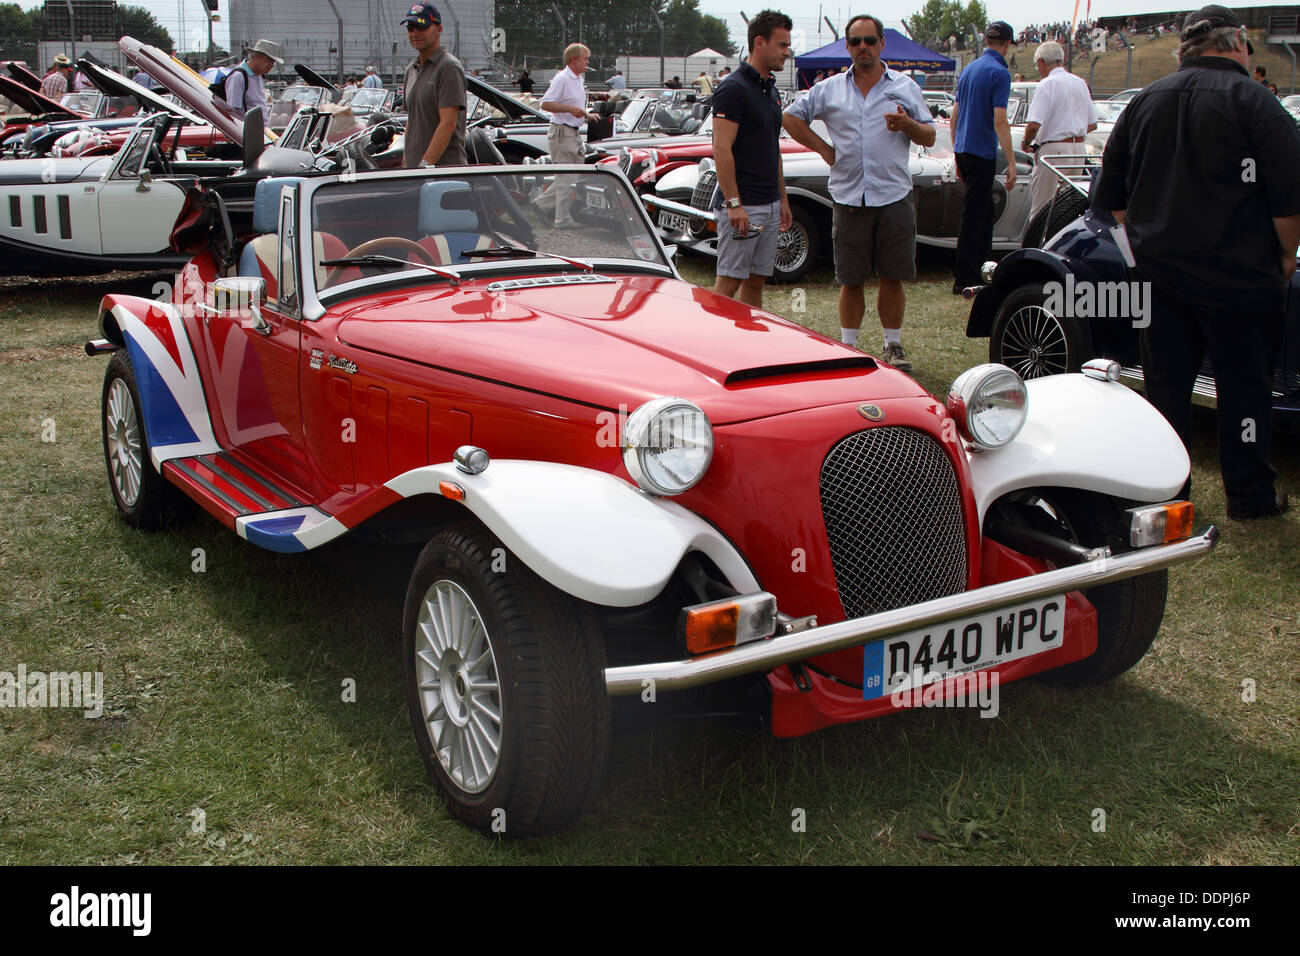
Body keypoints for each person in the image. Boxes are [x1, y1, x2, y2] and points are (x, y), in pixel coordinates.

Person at [1095, 4, 1300, 519]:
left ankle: (1167, 491)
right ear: (1236, 43)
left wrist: (1143, 244)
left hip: (1162, 279)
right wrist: (1286, 258)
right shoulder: (1257, 101)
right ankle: (1250, 495)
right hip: (1240, 279)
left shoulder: (1144, 102)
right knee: (1245, 391)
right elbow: (1288, 201)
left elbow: (1112, 192)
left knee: (1166, 390)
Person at [783, 14, 935, 369]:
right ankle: (848, 348)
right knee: (850, 279)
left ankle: (892, 345)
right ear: (848, 47)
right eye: (855, 42)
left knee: (892, 276)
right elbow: (790, 117)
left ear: (882, 44)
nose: (862, 47)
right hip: (850, 197)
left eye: (869, 40)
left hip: (893, 195)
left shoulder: (904, 87)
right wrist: (823, 149)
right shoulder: (830, 88)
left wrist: (907, 124)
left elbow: (928, 135)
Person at [710, 10, 793, 308]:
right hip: (744, 206)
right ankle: (710, 349)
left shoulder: (770, 89)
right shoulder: (733, 88)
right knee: (729, 281)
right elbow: (721, 149)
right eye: (782, 45)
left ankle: (746, 348)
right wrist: (734, 203)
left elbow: (773, 147)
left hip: (769, 204)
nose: (787, 52)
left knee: (756, 280)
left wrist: (782, 199)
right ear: (760, 43)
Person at [950, 20, 1017, 294]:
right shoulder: (999, 73)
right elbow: (1000, 121)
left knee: (984, 212)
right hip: (981, 152)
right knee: (975, 215)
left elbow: (954, 115)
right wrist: (1012, 161)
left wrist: (956, 152)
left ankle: (982, 267)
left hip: (965, 149)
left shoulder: (970, 69)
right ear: (1007, 44)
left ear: (987, 41)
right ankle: (964, 278)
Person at [1021, 40, 1098, 218]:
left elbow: (1033, 124)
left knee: (1041, 210)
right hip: (1078, 150)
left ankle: (1036, 244)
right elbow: (1092, 123)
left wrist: (1027, 142)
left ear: (1041, 62)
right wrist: (1072, 129)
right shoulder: (1080, 84)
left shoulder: (1047, 84)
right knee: (1067, 211)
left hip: (1053, 151)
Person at [539, 43, 600, 227]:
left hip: (572, 132)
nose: (587, 62)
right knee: (566, 176)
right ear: (573, 60)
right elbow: (545, 104)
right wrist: (570, 109)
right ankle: (562, 218)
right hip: (562, 131)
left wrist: (587, 115)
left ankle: (541, 204)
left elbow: (574, 107)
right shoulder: (562, 79)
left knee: (572, 176)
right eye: (584, 59)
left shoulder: (577, 79)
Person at [402, 3, 468, 168]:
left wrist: (424, 166)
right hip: (416, 174)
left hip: (443, 173)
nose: (415, 32)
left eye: (421, 26)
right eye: (411, 27)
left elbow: (448, 124)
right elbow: (412, 120)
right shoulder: (411, 69)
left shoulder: (448, 67)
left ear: (438, 30)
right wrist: (406, 163)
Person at [221, 39, 282, 119]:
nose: (271, 65)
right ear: (256, 57)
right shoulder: (238, 77)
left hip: (259, 128)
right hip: (247, 129)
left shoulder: (259, 75)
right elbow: (233, 112)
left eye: (273, 62)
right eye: (269, 61)